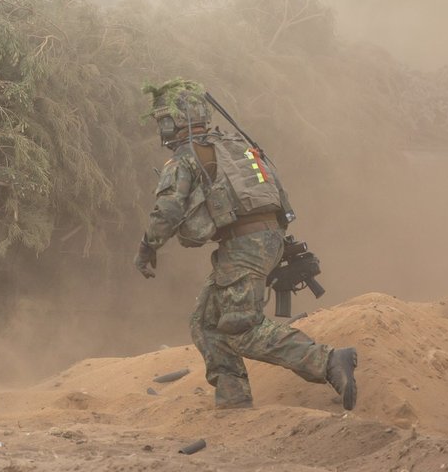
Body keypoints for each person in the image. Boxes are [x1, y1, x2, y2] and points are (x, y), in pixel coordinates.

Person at [134, 80, 358, 411]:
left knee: (241, 328)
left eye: (165, 121)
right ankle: (233, 399)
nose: (162, 129)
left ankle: (328, 361)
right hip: (268, 238)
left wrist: (147, 247)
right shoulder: (237, 146)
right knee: (206, 322)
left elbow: (167, 211)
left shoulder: (186, 156)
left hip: (244, 245)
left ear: (179, 120)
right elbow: (277, 197)